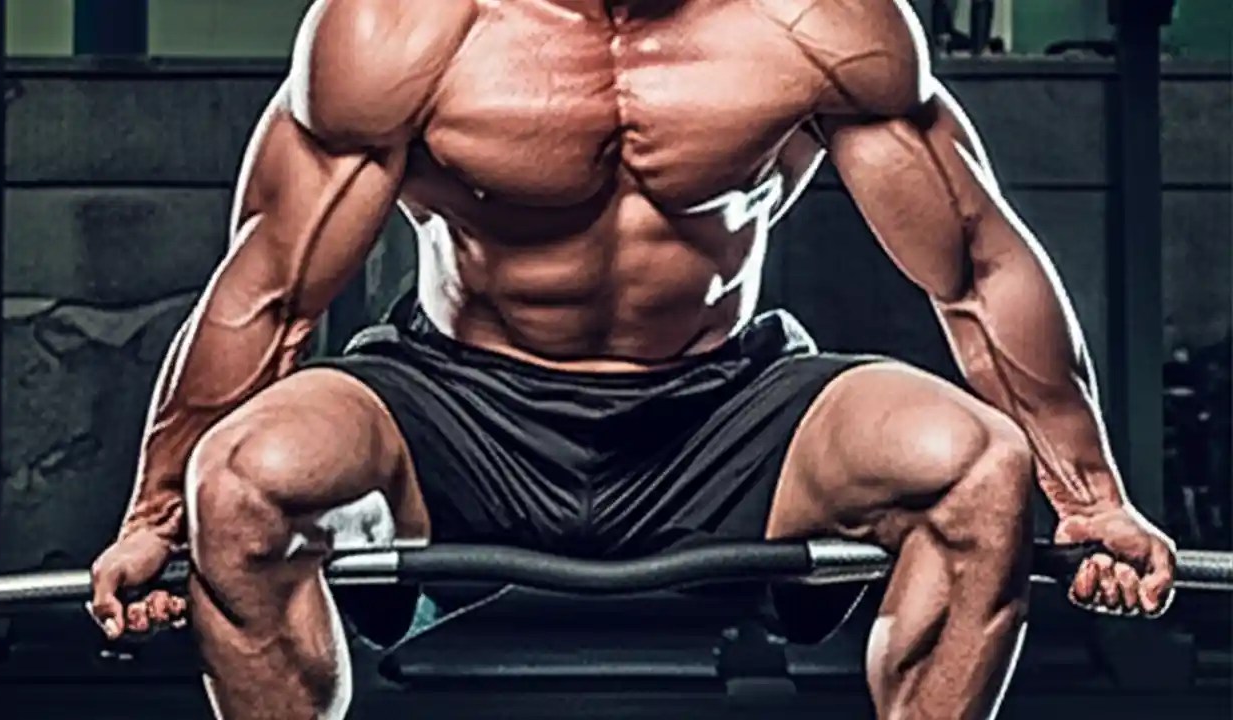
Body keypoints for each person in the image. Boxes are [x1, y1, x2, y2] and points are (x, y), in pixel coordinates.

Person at [87, 1, 1176, 718]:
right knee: (241, 478)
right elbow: (272, 288)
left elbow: (978, 266)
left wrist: (1088, 499)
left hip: (720, 407)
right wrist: (156, 518)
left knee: (973, 467)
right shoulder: (399, 31)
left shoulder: (815, 21)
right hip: (456, 407)